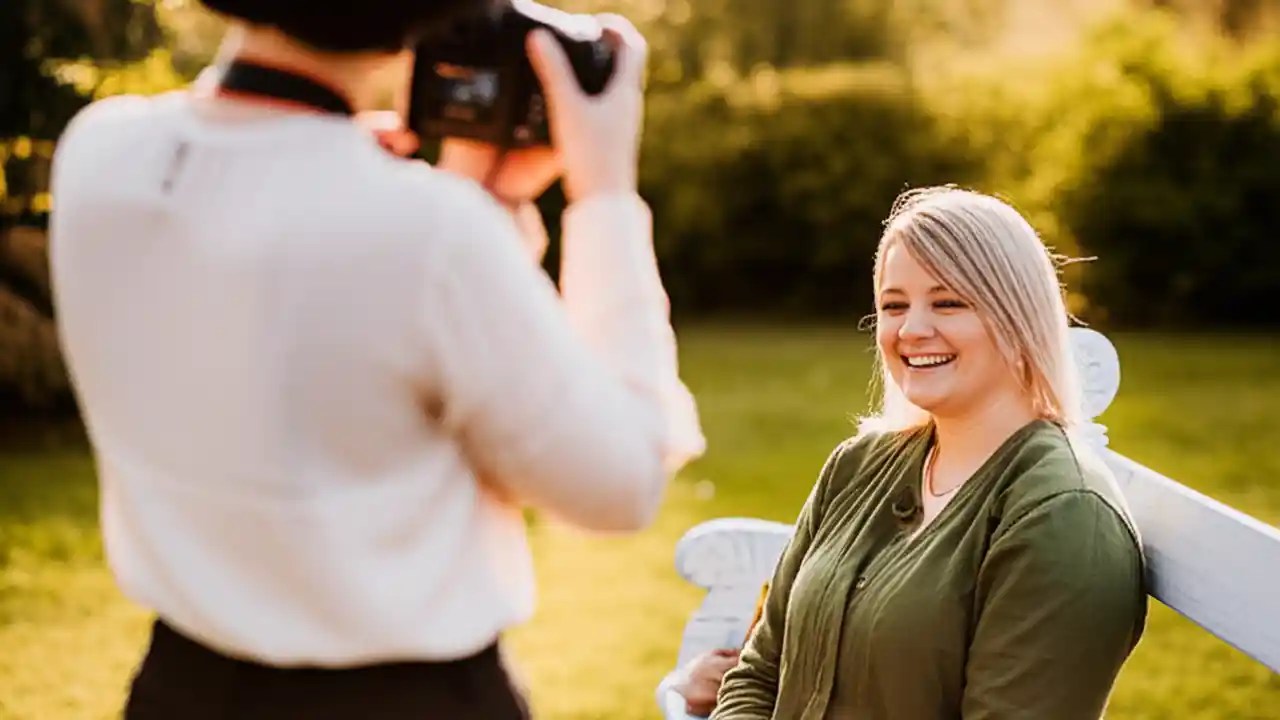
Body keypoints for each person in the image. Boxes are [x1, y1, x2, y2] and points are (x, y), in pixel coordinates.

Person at [47, 1, 704, 717]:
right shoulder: (429, 236)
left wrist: (475, 204)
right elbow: (620, 484)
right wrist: (603, 195)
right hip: (410, 700)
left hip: (181, 688)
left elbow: (326, 300)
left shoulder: (98, 154)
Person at [689, 186, 1146, 719]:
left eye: (948, 302)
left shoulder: (1064, 517)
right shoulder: (855, 468)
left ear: (1018, 316)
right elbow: (761, 671)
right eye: (894, 305)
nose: (912, 330)